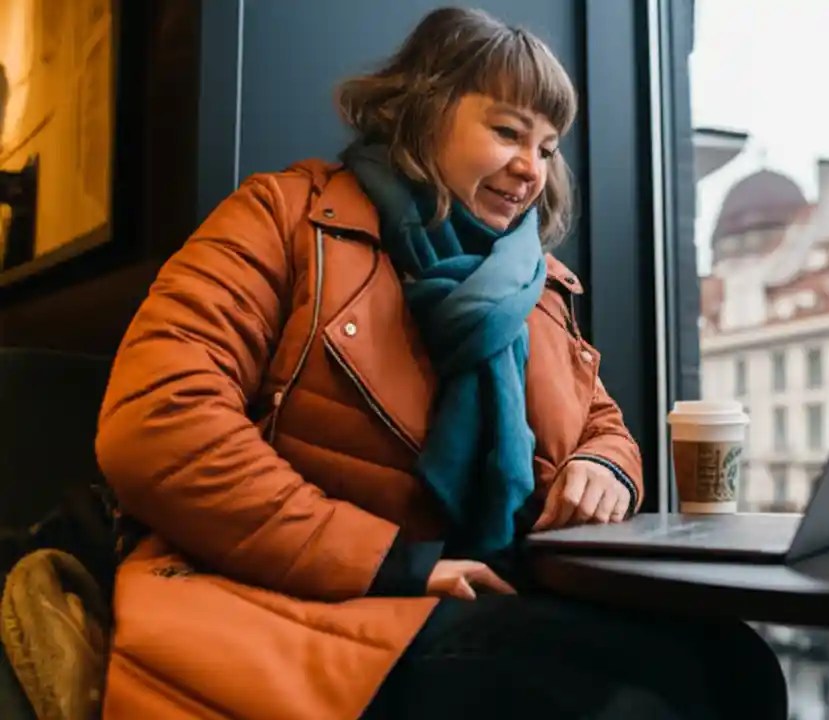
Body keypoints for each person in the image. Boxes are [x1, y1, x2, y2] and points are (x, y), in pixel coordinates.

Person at [93, 7, 787, 719]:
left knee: (740, 666)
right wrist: (392, 562)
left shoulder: (533, 280)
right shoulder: (282, 216)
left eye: (548, 148)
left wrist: (603, 468)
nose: (532, 169)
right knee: (634, 699)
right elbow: (157, 426)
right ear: (422, 110)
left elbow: (601, 425)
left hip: (489, 586)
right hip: (301, 602)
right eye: (508, 131)